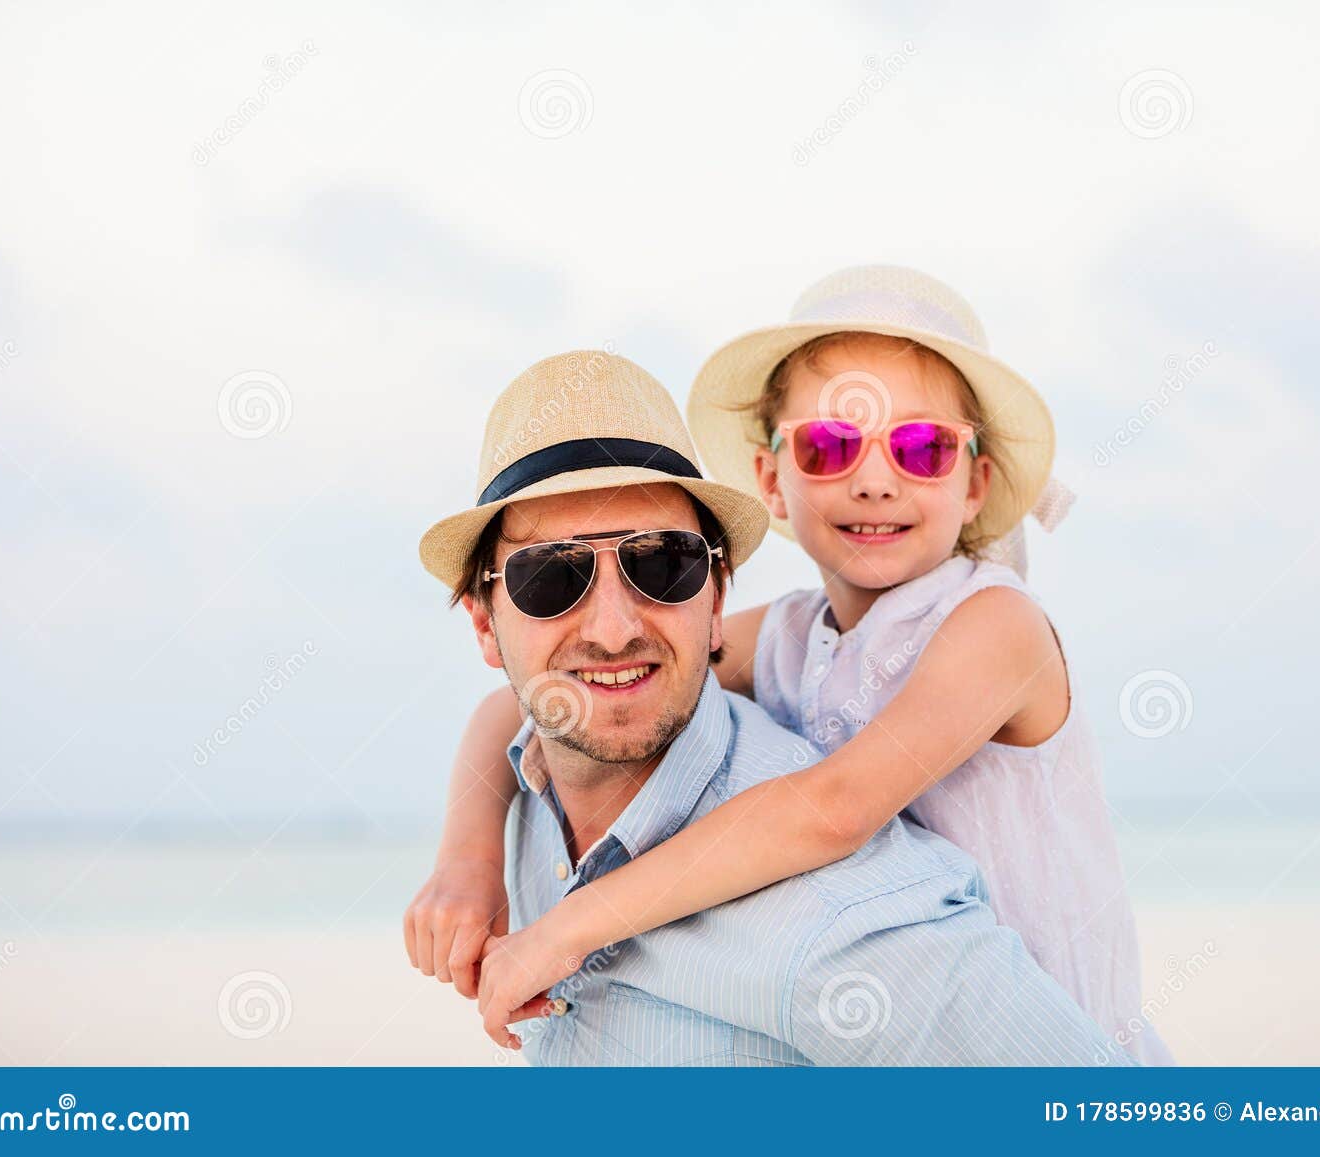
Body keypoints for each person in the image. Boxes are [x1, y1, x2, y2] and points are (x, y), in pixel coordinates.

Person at [408, 348, 1129, 1065]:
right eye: (551, 576)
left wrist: (571, 926)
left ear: (714, 599)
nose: (615, 629)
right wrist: (468, 859)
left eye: (662, 562)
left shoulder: (995, 624)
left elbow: (835, 807)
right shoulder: (787, 638)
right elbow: (515, 710)